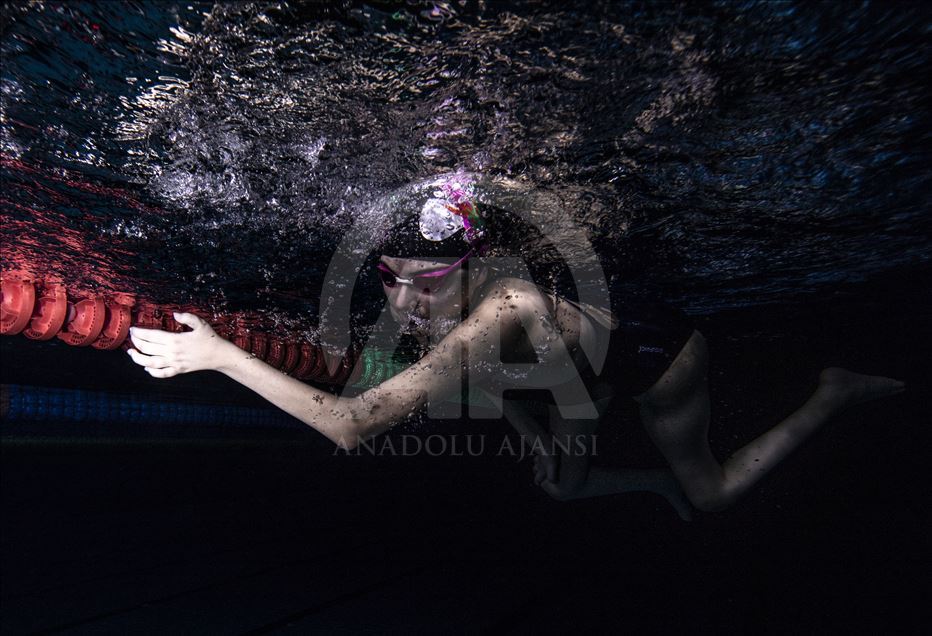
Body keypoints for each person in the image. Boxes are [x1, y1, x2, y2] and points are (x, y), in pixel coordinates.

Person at [126, 177, 906, 516]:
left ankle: (832, 392)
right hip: (579, 380)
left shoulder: (508, 300)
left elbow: (352, 426)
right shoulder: (454, 303)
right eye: (390, 278)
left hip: (658, 362)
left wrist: (221, 356)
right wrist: (533, 429)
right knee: (563, 491)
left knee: (713, 497)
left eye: (425, 283)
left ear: (475, 266)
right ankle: (651, 484)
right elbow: (493, 380)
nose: (404, 302)